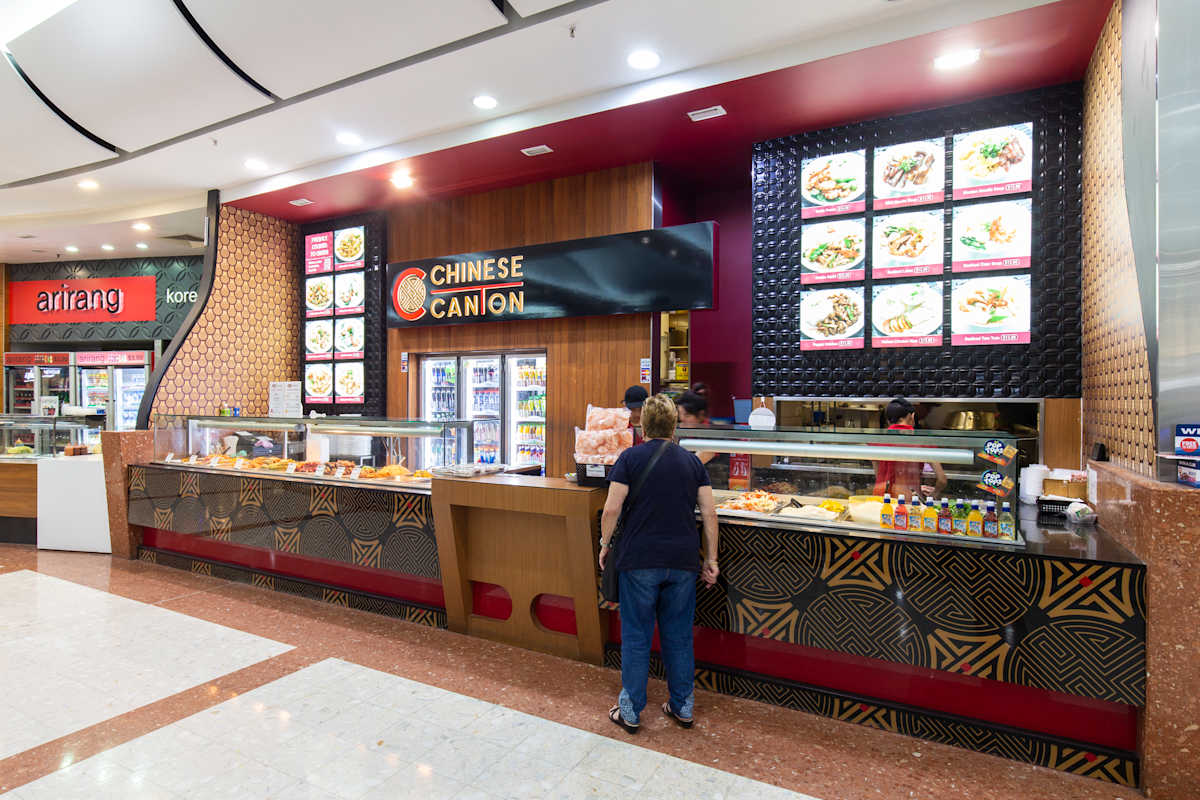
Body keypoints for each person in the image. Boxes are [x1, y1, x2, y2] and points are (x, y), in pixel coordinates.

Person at [599, 393, 719, 734]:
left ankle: (631, 711)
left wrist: (605, 545)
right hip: (682, 561)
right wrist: (711, 559)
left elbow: (611, 509)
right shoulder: (692, 463)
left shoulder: (629, 458)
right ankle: (682, 705)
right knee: (678, 636)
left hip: (639, 560)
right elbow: (709, 513)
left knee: (637, 636)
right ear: (674, 424)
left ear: (642, 425)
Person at [873, 397, 948, 498]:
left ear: (888, 421)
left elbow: (880, 477)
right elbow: (942, 480)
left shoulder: (875, 442)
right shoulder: (923, 442)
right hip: (908, 500)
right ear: (912, 417)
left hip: (881, 500)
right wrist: (932, 496)